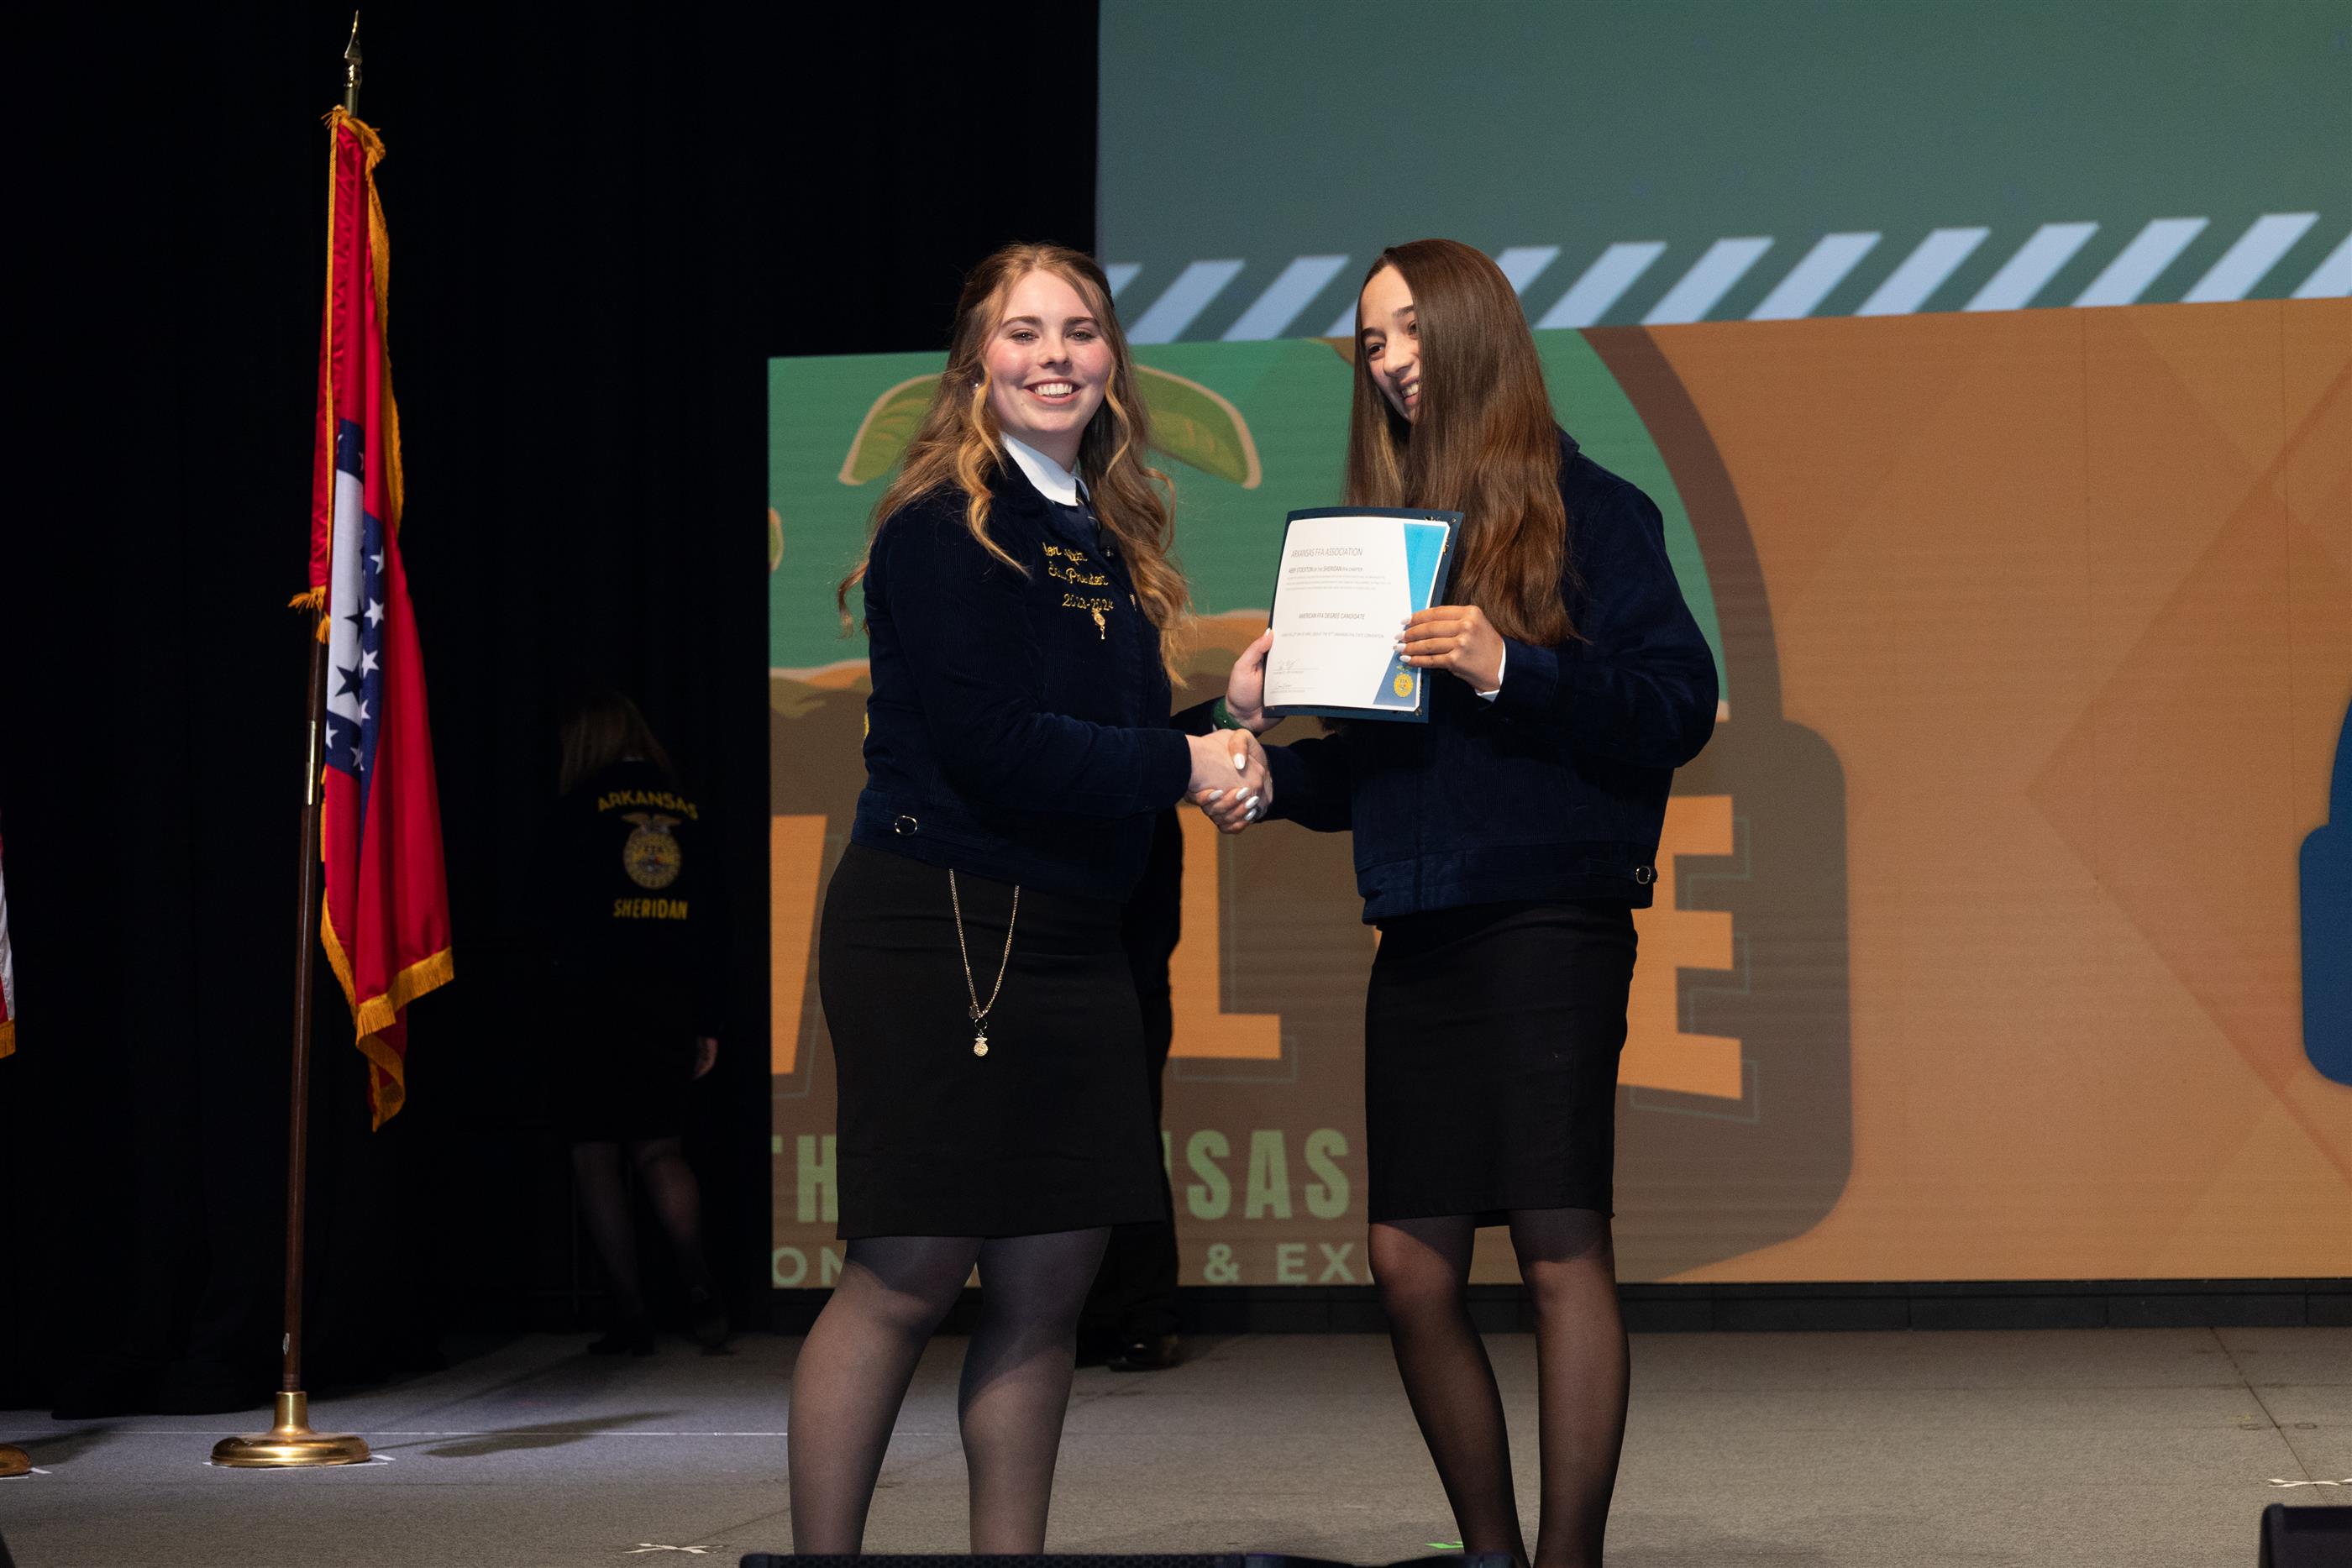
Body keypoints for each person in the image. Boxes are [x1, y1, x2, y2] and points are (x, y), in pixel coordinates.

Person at [1209, 239, 1717, 1568]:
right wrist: (1262, 761)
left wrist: (1511, 666)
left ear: (1480, 329)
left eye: (1411, 330)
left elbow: (1672, 708)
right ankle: (1490, 1552)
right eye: (1372, 342)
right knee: (1409, 1263)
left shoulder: (1592, 510)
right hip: (1422, 926)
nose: (1391, 361)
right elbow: (1387, 768)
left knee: (1558, 1244)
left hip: (1552, 915)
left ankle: (1566, 1561)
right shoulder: (1380, 541)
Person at [788, 242, 1268, 1554]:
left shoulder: (1100, 533)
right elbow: (998, 744)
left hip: (1074, 937)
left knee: (1052, 1283)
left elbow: (1088, 738)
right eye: (1023, 332)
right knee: (910, 1270)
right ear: (975, 365)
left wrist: (1226, 718)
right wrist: (1187, 761)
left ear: (1114, 362)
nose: (1055, 354)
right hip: (938, 924)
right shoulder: (944, 528)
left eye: (1082, 330)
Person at [547, 690, 729, 1356]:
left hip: (591, 1001)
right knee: (661, 1149)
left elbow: (557, 912)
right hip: (670, 1000)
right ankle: (699, 1284)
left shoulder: (577, 807)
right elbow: (714, 920)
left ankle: (631, 1312)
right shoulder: (685, 807)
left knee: (595, 1155)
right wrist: (707, 1016)